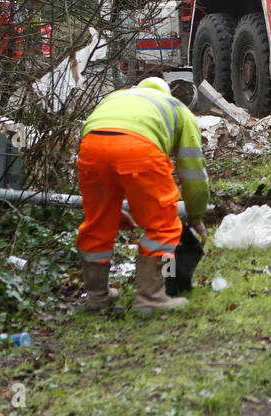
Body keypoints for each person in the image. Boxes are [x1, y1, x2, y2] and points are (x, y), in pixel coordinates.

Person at [76, 76, 208, 313]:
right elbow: (193, 174)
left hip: (91, 147)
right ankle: (151, 298)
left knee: (97, 225)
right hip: (139, 149)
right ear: (167, 92)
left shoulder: (115, 98)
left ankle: (97, 296)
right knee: (163, 226)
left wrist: (112, 211)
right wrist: (196, 215)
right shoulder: (176, 108)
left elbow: (103, 149)